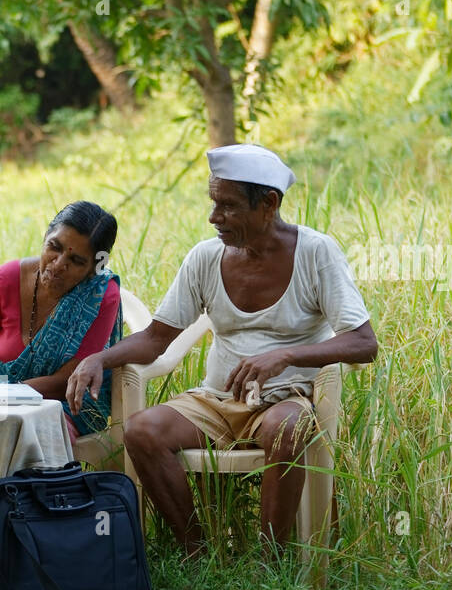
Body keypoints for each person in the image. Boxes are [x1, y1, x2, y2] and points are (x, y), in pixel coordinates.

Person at [66, 144, 378, 553]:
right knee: (142, 431)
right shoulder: (205, 257)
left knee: (285, 427)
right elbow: (157, 338)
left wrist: (284, 356)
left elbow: (364, 343)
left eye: (228, 206)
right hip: (216, 401)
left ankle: (272, 562)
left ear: (269, 204)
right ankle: (198, 554)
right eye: (214, 203)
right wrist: (98, 359)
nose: (214, 217)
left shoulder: (316, 253)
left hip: (285, 400)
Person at [0, 201, 122, 439]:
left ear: (95, 268)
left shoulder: (100, 297)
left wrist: (2, 399)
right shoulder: (5, 280)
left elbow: (65, 381)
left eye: (76, 261)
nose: (58, 265)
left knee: (29, 433)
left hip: (65, 404)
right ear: (45, 236)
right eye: (54, 247)